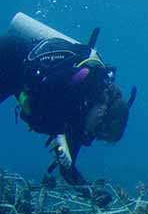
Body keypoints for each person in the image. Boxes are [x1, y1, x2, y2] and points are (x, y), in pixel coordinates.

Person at [1, 13, 135, 186]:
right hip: (9, 54)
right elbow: (46, 85)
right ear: (103, 111)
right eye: (97, 131)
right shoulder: (84, 77)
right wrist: (58, 131)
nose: (90, 134)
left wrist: (89, 192)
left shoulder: (80, 114)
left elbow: (67, 168)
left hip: (13, 80)